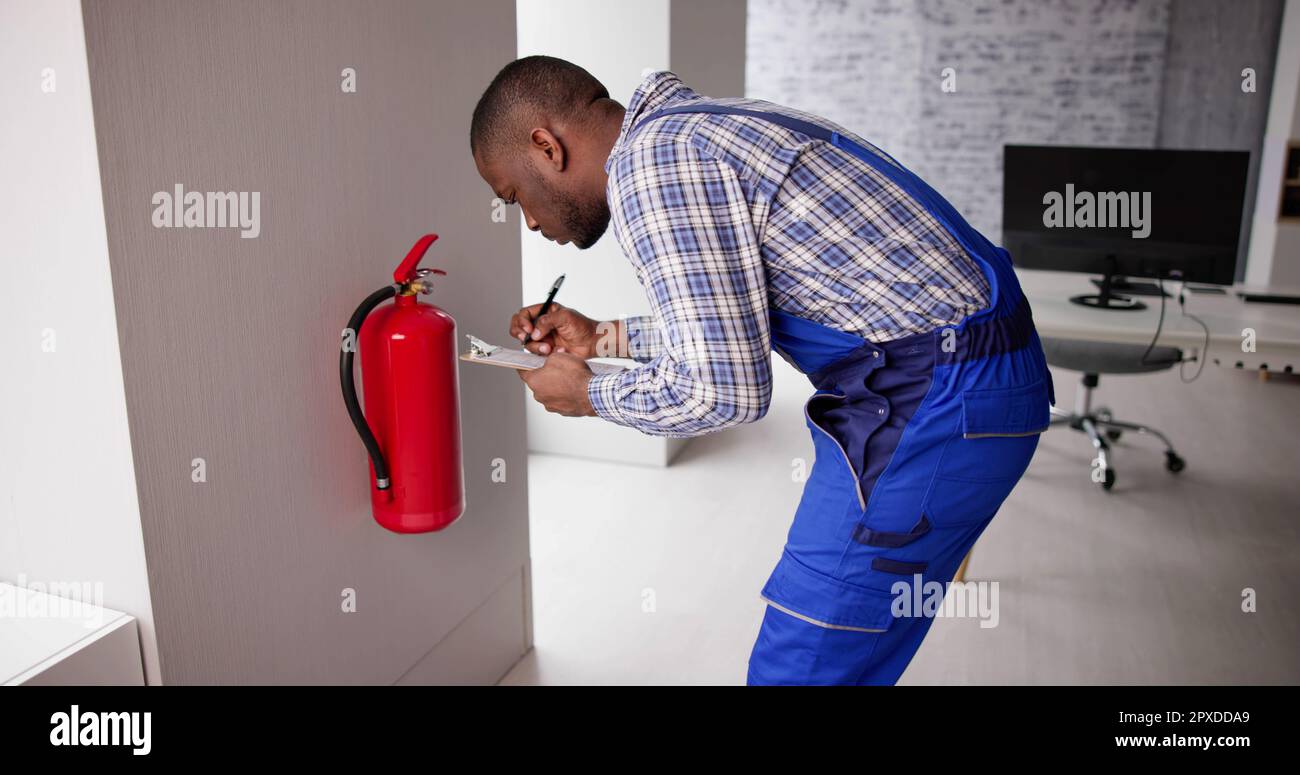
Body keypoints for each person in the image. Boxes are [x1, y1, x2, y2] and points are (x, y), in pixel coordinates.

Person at [470, 56, 1053, 685]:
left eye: (514, 197)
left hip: (938, 397)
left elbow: (725, 392)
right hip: (965, 375)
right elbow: (729, 322)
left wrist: (590, 394)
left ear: (545, 146)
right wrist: (601, 338)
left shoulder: (652, 169)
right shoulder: (695, 131)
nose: (529, 221)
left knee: (801, 667)